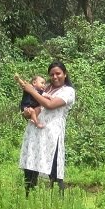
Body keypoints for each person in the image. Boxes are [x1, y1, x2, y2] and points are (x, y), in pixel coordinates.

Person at [16, 62, 75, 194]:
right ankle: (29, 198)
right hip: (34, 132)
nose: (55, 77)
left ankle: (58, 202)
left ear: (65, 74)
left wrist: (32, 90)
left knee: (53, 170)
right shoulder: (45, 88)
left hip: (52, 135)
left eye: (58, 73)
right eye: (52, 74)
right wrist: (27, 112)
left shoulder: (68, 91)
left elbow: (49, 104)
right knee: (30, 167)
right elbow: (33, 105)